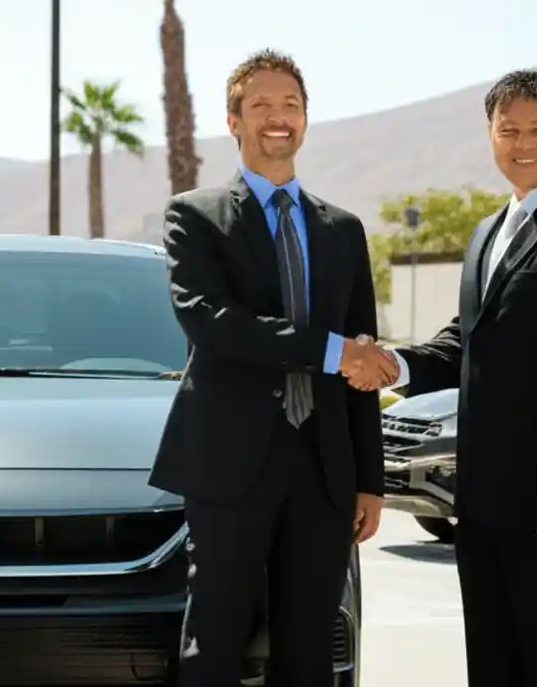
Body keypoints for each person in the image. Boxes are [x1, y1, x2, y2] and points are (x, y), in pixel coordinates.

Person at [365, 69, 537, 687]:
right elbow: (468, 339)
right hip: (481, 503)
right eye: (508, 130)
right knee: (494, 662)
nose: (523, 143)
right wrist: (394, 364)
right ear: (490, 135)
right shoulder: (488, 233)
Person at [148, 49, 398, 687]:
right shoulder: (193, 217)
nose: (277, 118)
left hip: (322, 468)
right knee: (216, 641)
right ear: (234, 121)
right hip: (227, 465)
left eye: (290, 105)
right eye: (260, 105)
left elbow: (363, 363)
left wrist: (370, 479)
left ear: (306, 120)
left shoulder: (343, 230)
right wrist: (334, 349)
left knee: (311, 649)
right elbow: (212, 324)